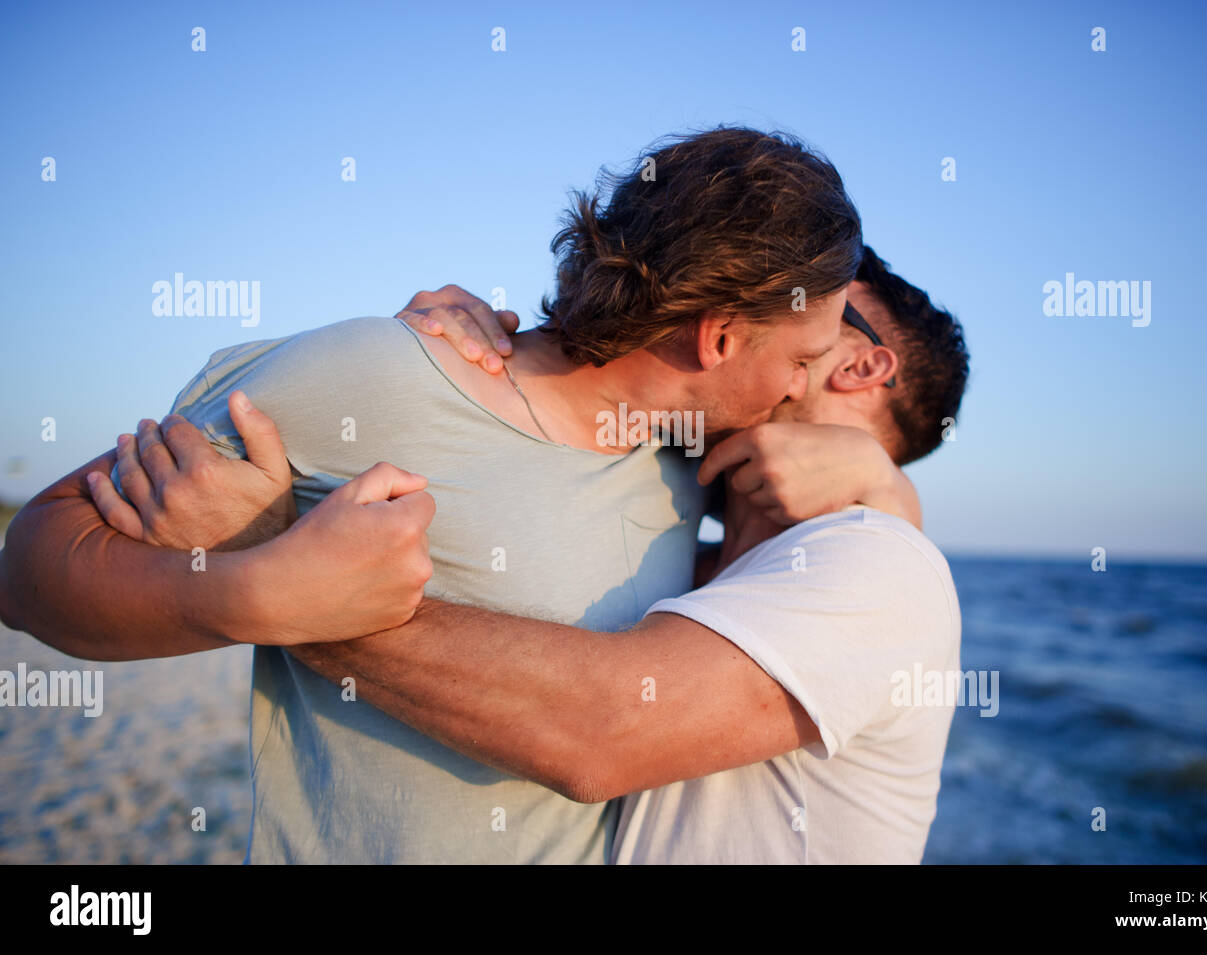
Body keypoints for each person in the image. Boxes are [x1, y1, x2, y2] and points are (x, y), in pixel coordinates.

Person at [0, 126, 874, 863]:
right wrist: (250, 589)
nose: (801, 392)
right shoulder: (378, 377)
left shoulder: (689, 454)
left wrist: (879, 488)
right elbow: (32, 562)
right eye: (801, 360)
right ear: (719, 335)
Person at [88, 245, 972, 863]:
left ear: (857, 364)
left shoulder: (878, 563)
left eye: (810, 310)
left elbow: (601, 729)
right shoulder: (695, 523)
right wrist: (474, 356)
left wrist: (273, 564)